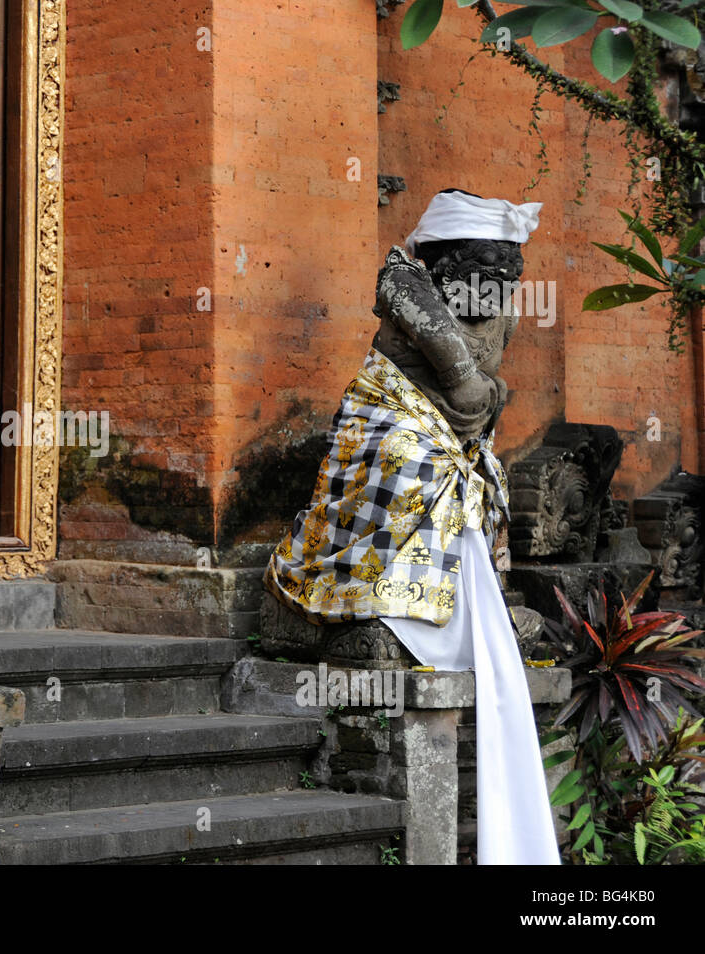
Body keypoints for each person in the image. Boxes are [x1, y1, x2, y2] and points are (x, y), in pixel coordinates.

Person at [266, 190, 560, 864]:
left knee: (484, 484)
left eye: (508, 269)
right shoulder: (405, 282)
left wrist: (488, 398)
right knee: (410, 469)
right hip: (393, 418)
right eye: (486, 267)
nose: (500, 282)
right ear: (444, 258)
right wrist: (471, 387)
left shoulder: (498, 301)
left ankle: (470, 607)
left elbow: (486, 384)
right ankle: (376, 604)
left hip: (458, 431)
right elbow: (458, 372)